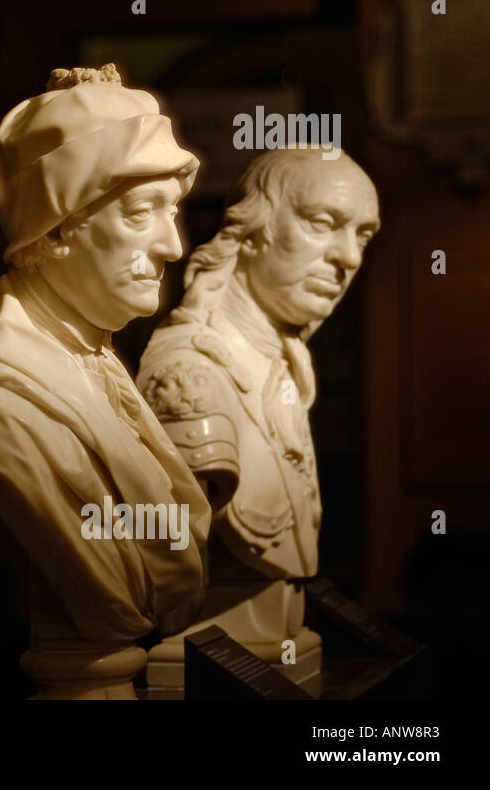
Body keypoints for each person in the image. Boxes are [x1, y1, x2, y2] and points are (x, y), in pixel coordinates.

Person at [0, 64, 209, 698]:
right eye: (142, 213)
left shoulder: (96, 358)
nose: (172, 247)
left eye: (175, 212)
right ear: (53, 230)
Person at [137, 145, 380, 688]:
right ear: (253, 229)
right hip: (215, 656)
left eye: (363, 235)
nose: (347, 258)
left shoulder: (289, 370)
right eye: (324, 223)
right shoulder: (191, 376)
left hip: (278, 648)